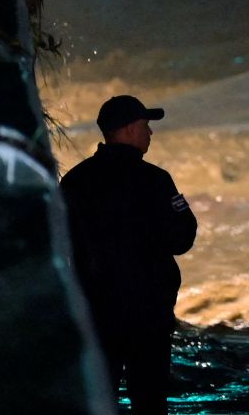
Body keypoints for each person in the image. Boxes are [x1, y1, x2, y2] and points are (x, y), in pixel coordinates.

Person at [61, 95, 198, 415]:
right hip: (147, 313)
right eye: (145, 125)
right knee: (149, 400)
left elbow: (59, 242)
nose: (150, 133)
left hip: (95, 312)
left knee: (99, 398)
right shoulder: (155, 180)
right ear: (129, 129)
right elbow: (183, 237)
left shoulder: (75, 181)